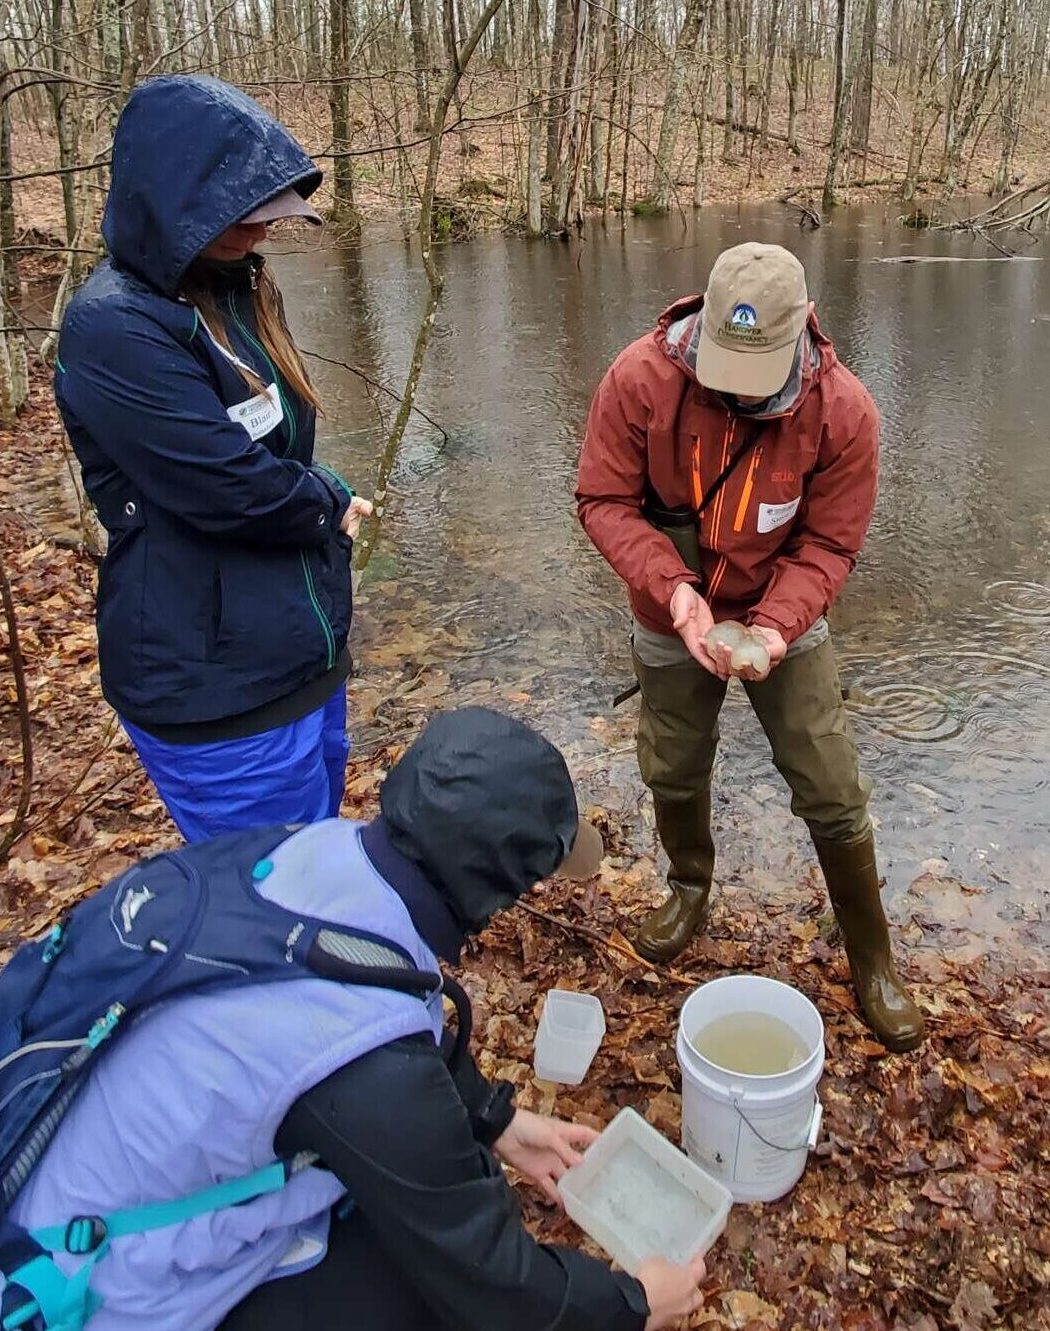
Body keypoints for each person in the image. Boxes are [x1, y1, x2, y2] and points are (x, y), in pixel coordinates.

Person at [9, 708, 707, 1331]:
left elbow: (383, 1012)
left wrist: (496, 1122)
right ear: (494, 889)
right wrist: (635, 1300)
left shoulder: (310, 852)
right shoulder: (368, 1065)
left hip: (82, 1162)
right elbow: (494, 1284)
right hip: (97, 1278)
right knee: (423, 1288)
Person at [576, 242, 924, 1053]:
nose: (733, 387)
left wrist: (774, 626)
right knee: (671, 761)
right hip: (674, 610)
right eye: (726, 362)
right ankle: (689, 885)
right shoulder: (639, 378)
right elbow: (600, 497)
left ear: (803, 329)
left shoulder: (846, 412)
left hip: (783, 619)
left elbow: (831, 548)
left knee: (830, 782)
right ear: (702, 314)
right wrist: (673, 590)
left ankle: (872, 957)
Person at [54, 75, 372, 842]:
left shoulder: (238, 288)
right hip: (216, 687)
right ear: (173, 203)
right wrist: (328, 500)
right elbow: (234, 488)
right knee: (265, 904)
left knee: (316, 852)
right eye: (245, 215)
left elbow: (278, 446)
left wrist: (318, 509)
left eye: (269, 214)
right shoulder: (114, 330)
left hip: (297, 653)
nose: (261, 232)